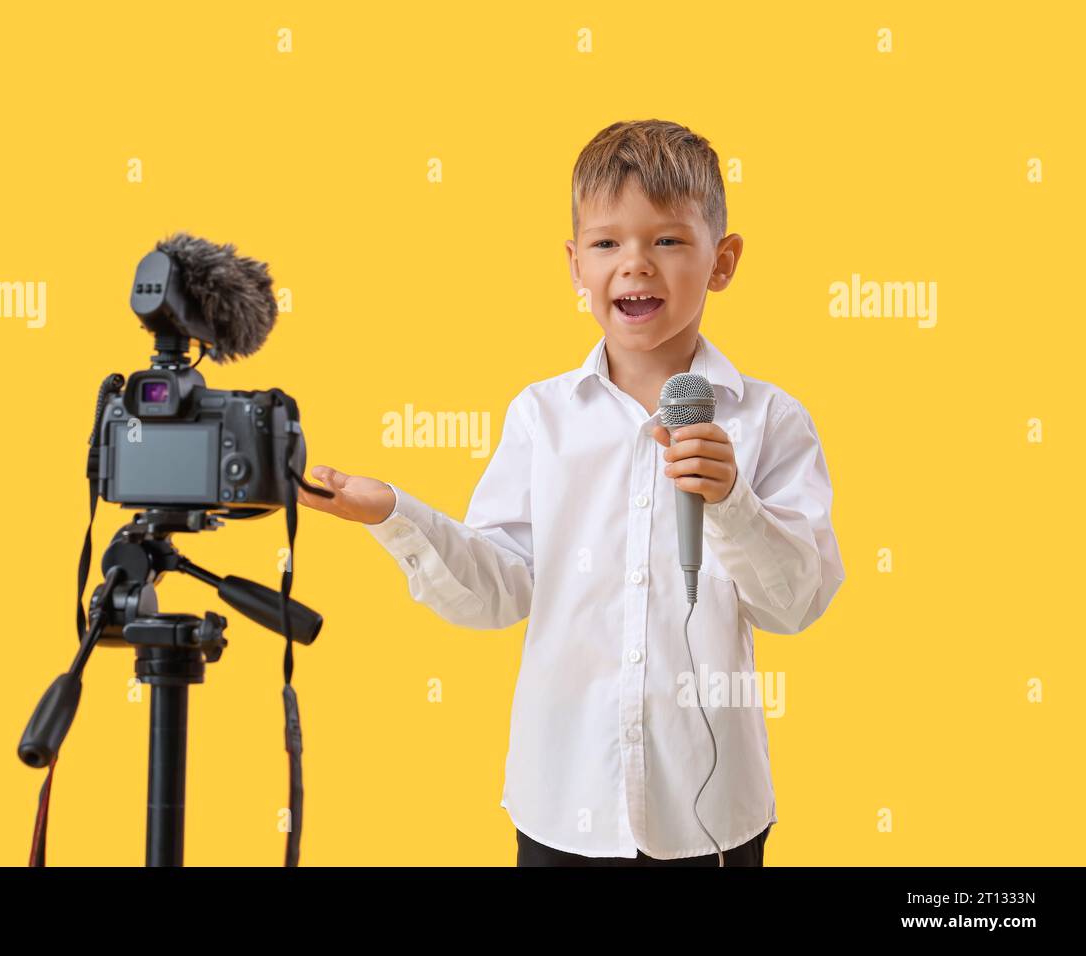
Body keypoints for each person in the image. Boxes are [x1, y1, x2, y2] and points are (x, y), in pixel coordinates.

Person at [296, 119, 845, 866]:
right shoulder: (540, 417)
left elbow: (795, 604)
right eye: (607, 242)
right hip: (562, 806)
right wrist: (393, 512)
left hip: (709, 814)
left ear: (723, 261)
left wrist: (733, 506)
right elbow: (498, 591)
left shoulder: (770, 420)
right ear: (575, 264)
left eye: (669, 241)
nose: (636, 265)